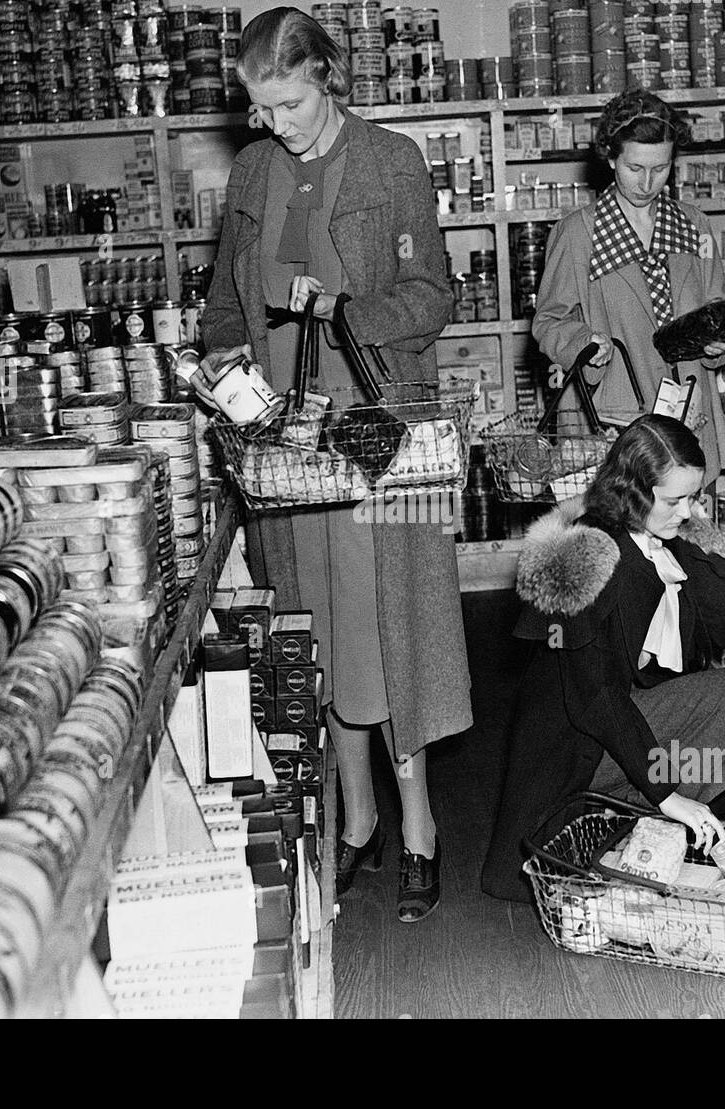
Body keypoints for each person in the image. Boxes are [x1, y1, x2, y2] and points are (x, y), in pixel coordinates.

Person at [198, 7, 472, 923]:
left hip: (375, 435)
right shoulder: (251, 169)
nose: (271, 123)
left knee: (389, 623)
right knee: (314, 627)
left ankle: (423, 826)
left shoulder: (391, 159)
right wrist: (221, 376)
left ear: (328, 78)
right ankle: (356, 824)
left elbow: (434, 293)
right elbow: (227, 304)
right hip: (286, 449)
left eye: (286, 103)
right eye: (258, 108)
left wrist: (348, 309)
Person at [481, 415, 725, 902]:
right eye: (675, 500)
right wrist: (668, 795)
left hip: (623, 720)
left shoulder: (663, 540)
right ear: (633, 493)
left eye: (693, 496)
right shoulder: (588, 557)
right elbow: (596, 700)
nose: (689, 511)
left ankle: (659, 833)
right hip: (577, 748)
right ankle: (647, 822)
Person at [531, 88, 725, 485]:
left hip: (688, 415)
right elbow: (548, 321)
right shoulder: (577, 234)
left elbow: (716, 312)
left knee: (685, 535)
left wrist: (716, 347)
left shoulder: (696, 226)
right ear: (610, 158)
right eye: (634, 168)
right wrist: (584, 342)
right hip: (612, 414)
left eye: (660, 169)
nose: (647, 183)